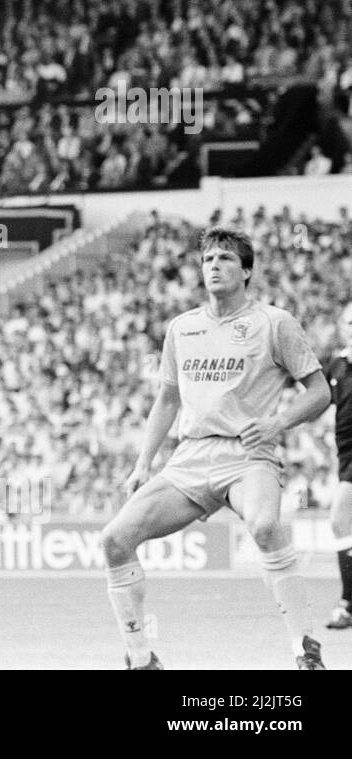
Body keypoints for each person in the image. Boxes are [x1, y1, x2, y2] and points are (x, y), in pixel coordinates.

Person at [100, 226, 332, 670]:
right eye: (208, 259)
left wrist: (278, 422)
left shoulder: (274, 323)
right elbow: (167, 399)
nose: (214, 266)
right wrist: (143, 463)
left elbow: (320, 392)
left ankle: (305, 649)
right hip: (190, 457)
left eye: (225, 258)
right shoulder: (182, 328)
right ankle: (141, 659)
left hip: (247, 454)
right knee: (114, 539)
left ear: (246, 271)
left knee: (265, 526)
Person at [320, 301, 352, 629]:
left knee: (340, 519)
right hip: (345, 457)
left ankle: (347, 603)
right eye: (350, 322)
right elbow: (319, 404)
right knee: (341, 522)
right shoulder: (337, 366)